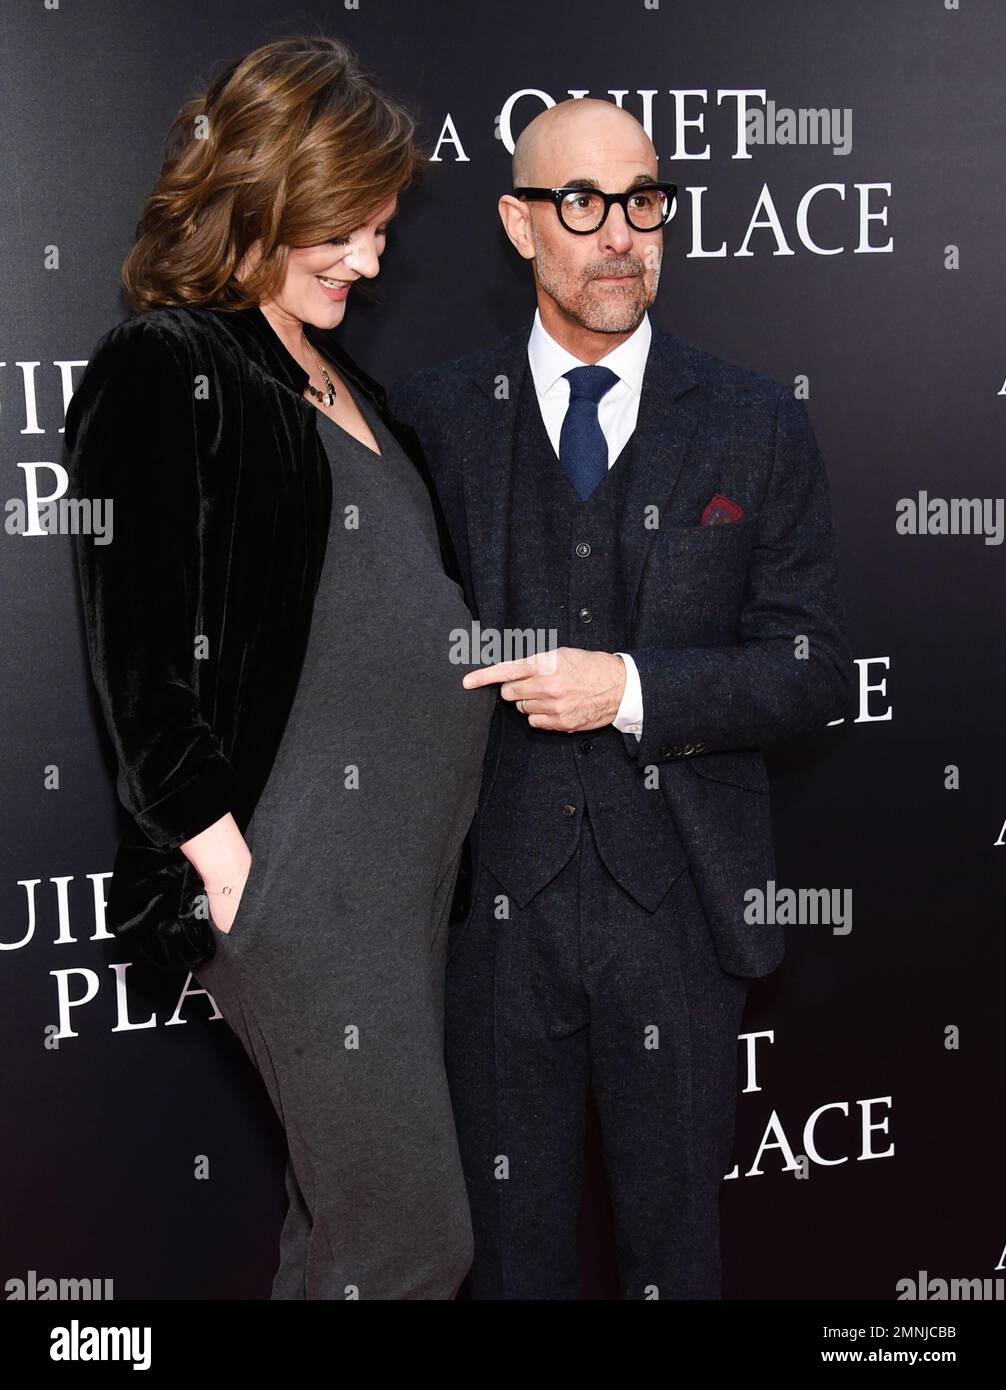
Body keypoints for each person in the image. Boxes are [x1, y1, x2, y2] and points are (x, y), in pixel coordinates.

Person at [388, 97, 855, 1299]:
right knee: (511, 1263)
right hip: (491, 919)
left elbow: (809, 667)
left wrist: (633, 688)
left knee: (674, 1259)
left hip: (678, 912)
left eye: (643, 202)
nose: (619, 236)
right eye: (580, 204)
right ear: (515, 222)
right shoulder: (432, 421)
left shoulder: (755, 420)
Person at [66, 34, 493, 1300]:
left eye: (380, 232)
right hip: (302, 887)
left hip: (401, 884)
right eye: (348, 229)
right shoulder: (169, 364)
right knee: (417, 1246)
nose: (371, 258)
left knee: (340, 1242)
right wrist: (229, 864)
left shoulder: (334, 368)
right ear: (266, 192)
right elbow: (134, 647)